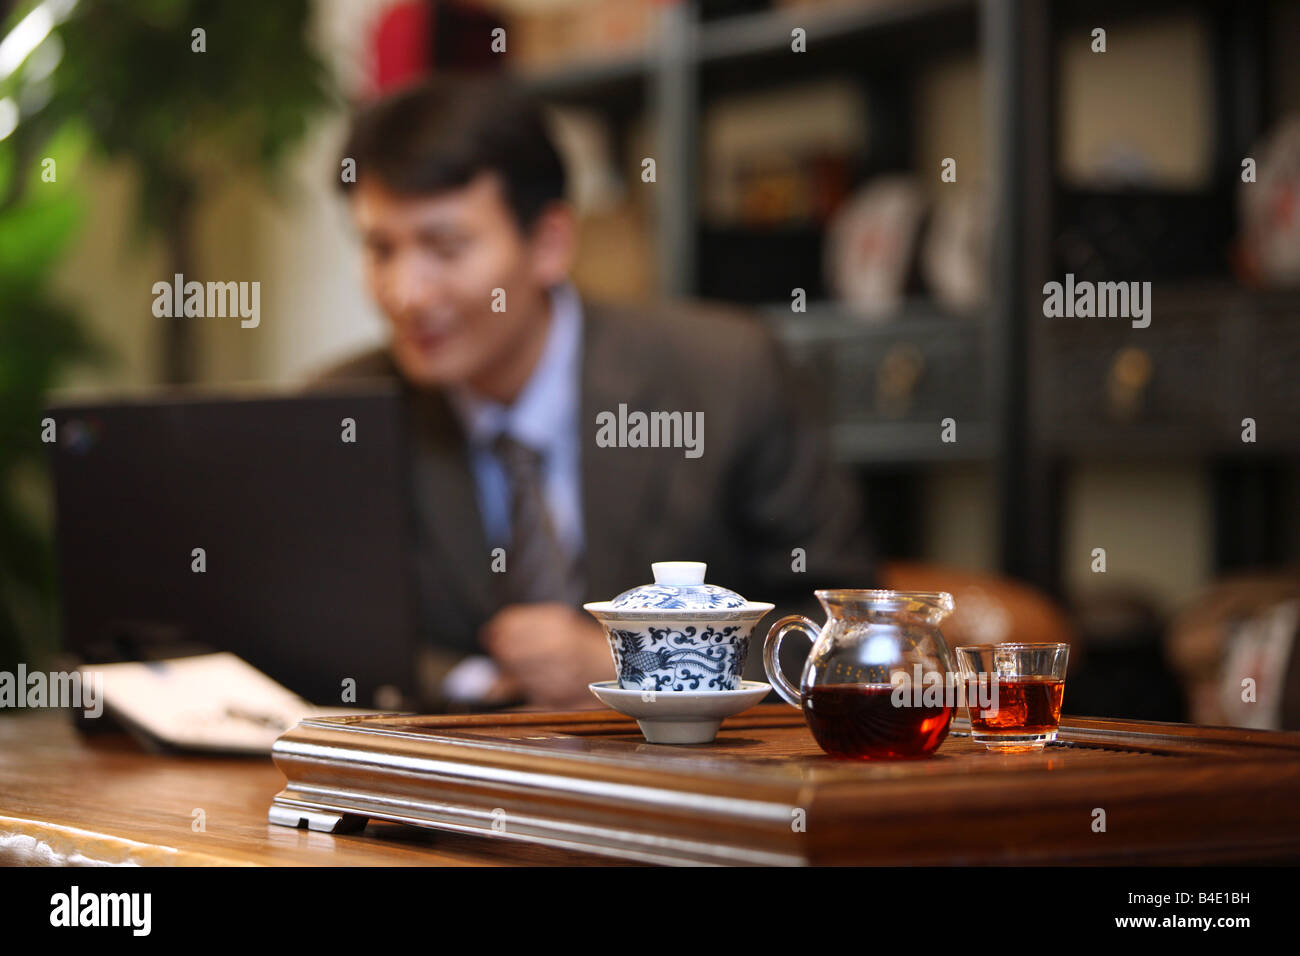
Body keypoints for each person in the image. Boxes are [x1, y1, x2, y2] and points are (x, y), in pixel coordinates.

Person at [314, 76, 874, 711]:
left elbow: (848, 631)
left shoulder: (725, 374)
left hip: (694, 784)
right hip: (449, 795)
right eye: (380, 249)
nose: (407, 292)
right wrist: (475, 683)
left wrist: (636, 665)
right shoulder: (344, 412)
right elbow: (318, 635)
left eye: (446, 247)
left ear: (550, 242)